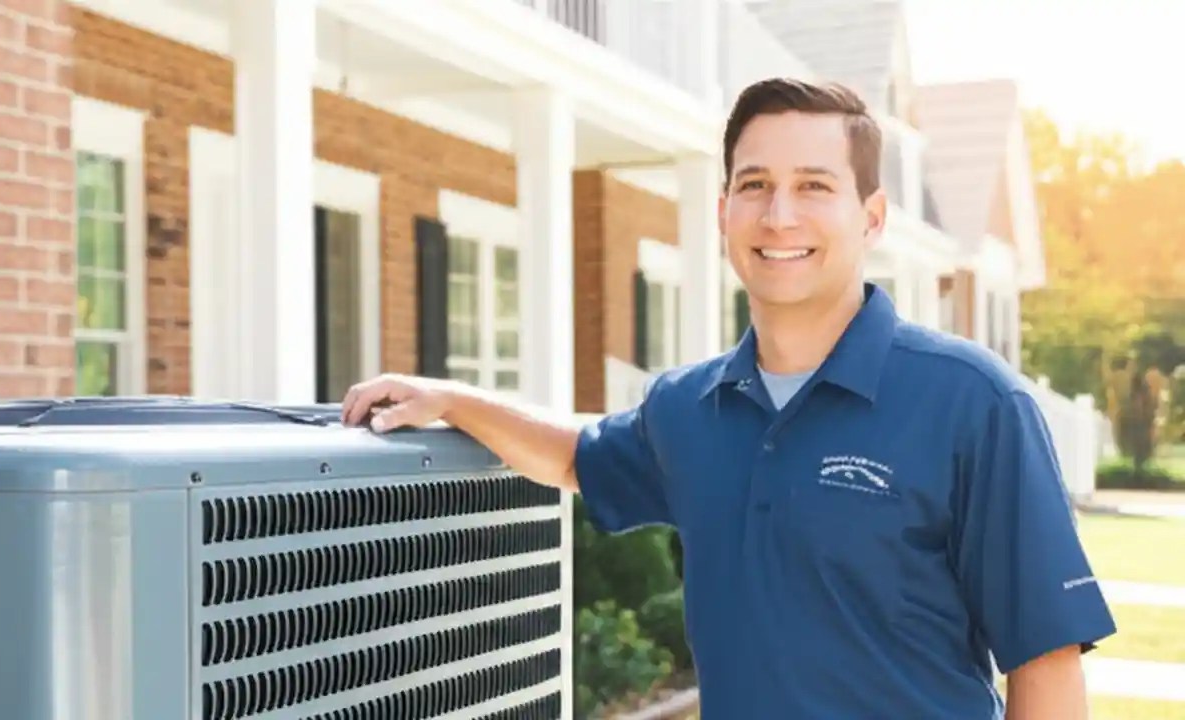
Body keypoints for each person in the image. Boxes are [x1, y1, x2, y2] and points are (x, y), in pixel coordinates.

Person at [341, 78, 1116, 718]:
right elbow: (577, 458)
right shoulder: (688, 409)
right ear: (723, 214)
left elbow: (1045, 662)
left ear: (871, 217)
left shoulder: (973, 403)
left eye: (813, 186)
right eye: (755, 186)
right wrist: (454, 399)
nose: (779, 216)